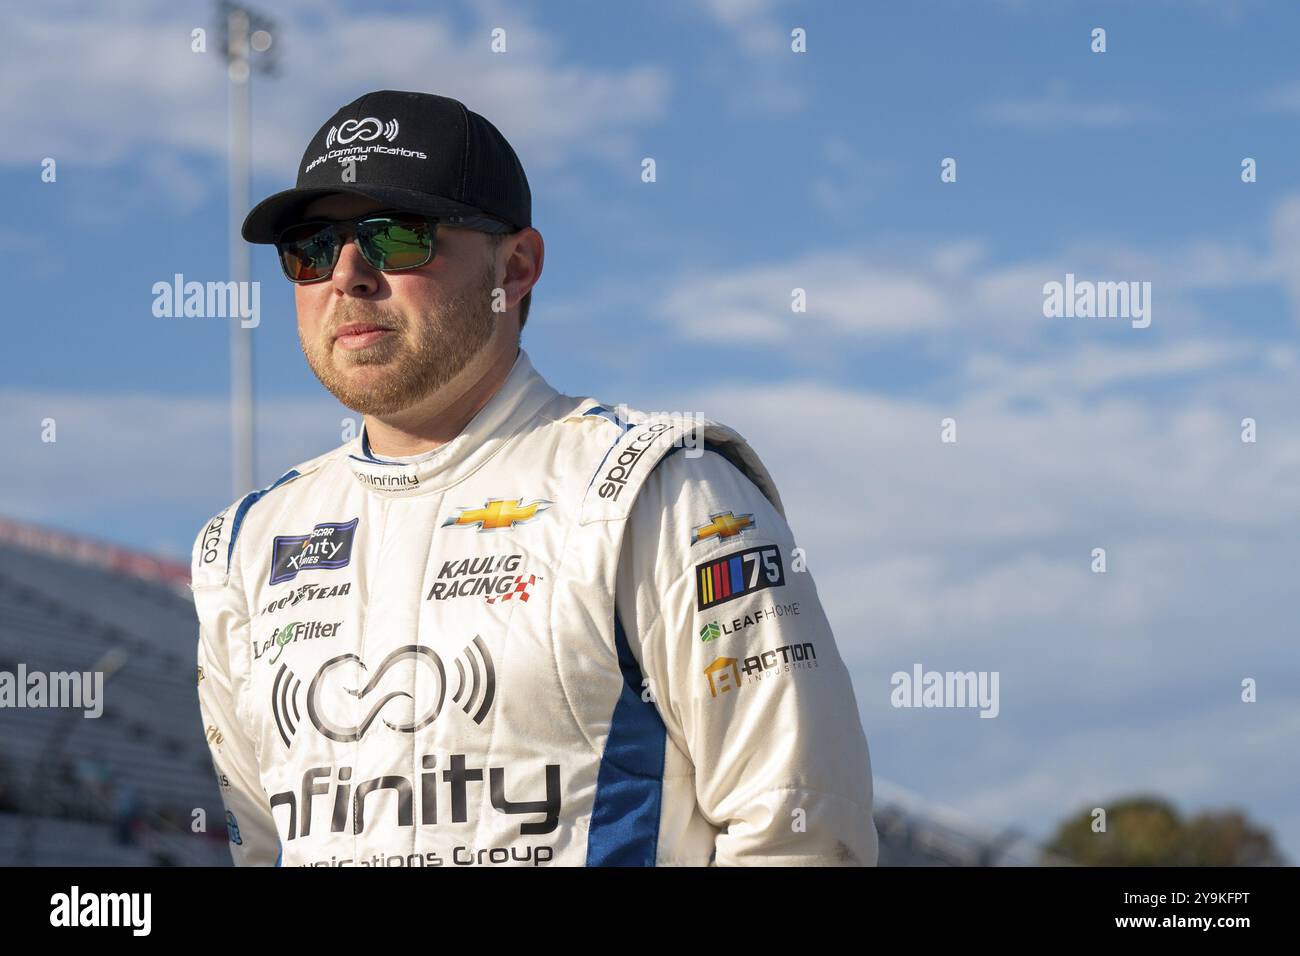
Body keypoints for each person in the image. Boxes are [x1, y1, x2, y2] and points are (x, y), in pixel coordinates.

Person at [192, 89, 878, 867]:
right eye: (311, 247)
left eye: (395, 237)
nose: (347, 274)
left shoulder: (659, 488)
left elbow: (804, 834)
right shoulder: (243, 545)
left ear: (515, 267)